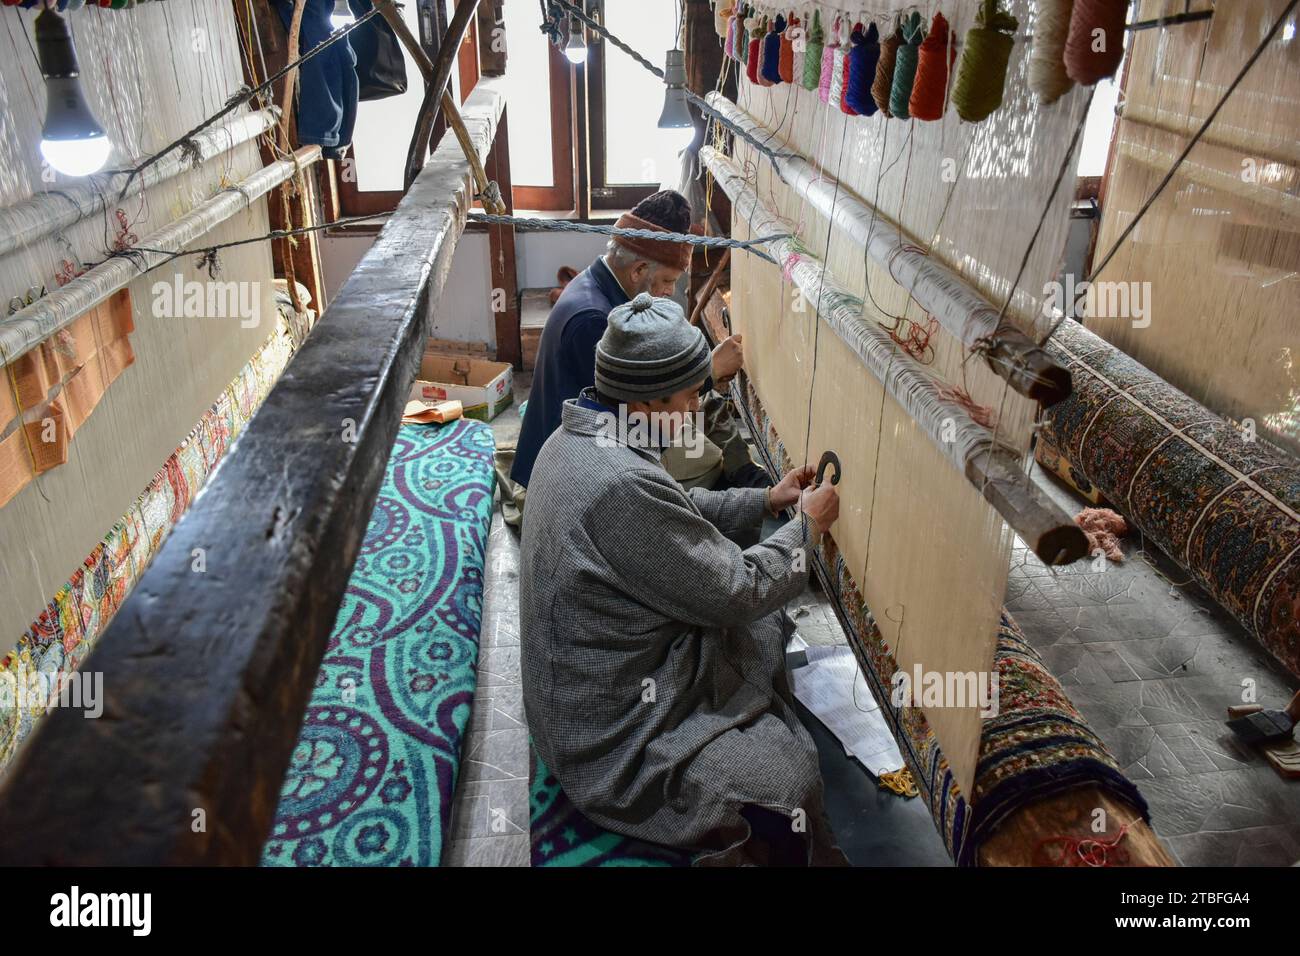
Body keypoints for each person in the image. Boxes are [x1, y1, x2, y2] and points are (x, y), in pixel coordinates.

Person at [520, 292, 846, 866]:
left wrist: (765, 500)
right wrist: (808, 529)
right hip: (607, 732)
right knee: (784, 785)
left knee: (761, 633)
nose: (699, 407)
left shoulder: (578, 438)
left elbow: (673, 509)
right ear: (648, 403)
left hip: (577, 684)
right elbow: (738, 590)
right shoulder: (618, 484)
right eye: (693, 394)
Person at [498, 190, 758, 524]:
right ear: (637, 271)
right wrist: (708, 372)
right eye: (666, 281)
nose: (668, 292)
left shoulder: (595, 286)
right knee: (709, 460)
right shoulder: (594, 321)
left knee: (698, 422)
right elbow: (632, 422)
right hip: (561, 486)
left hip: (573, 445)